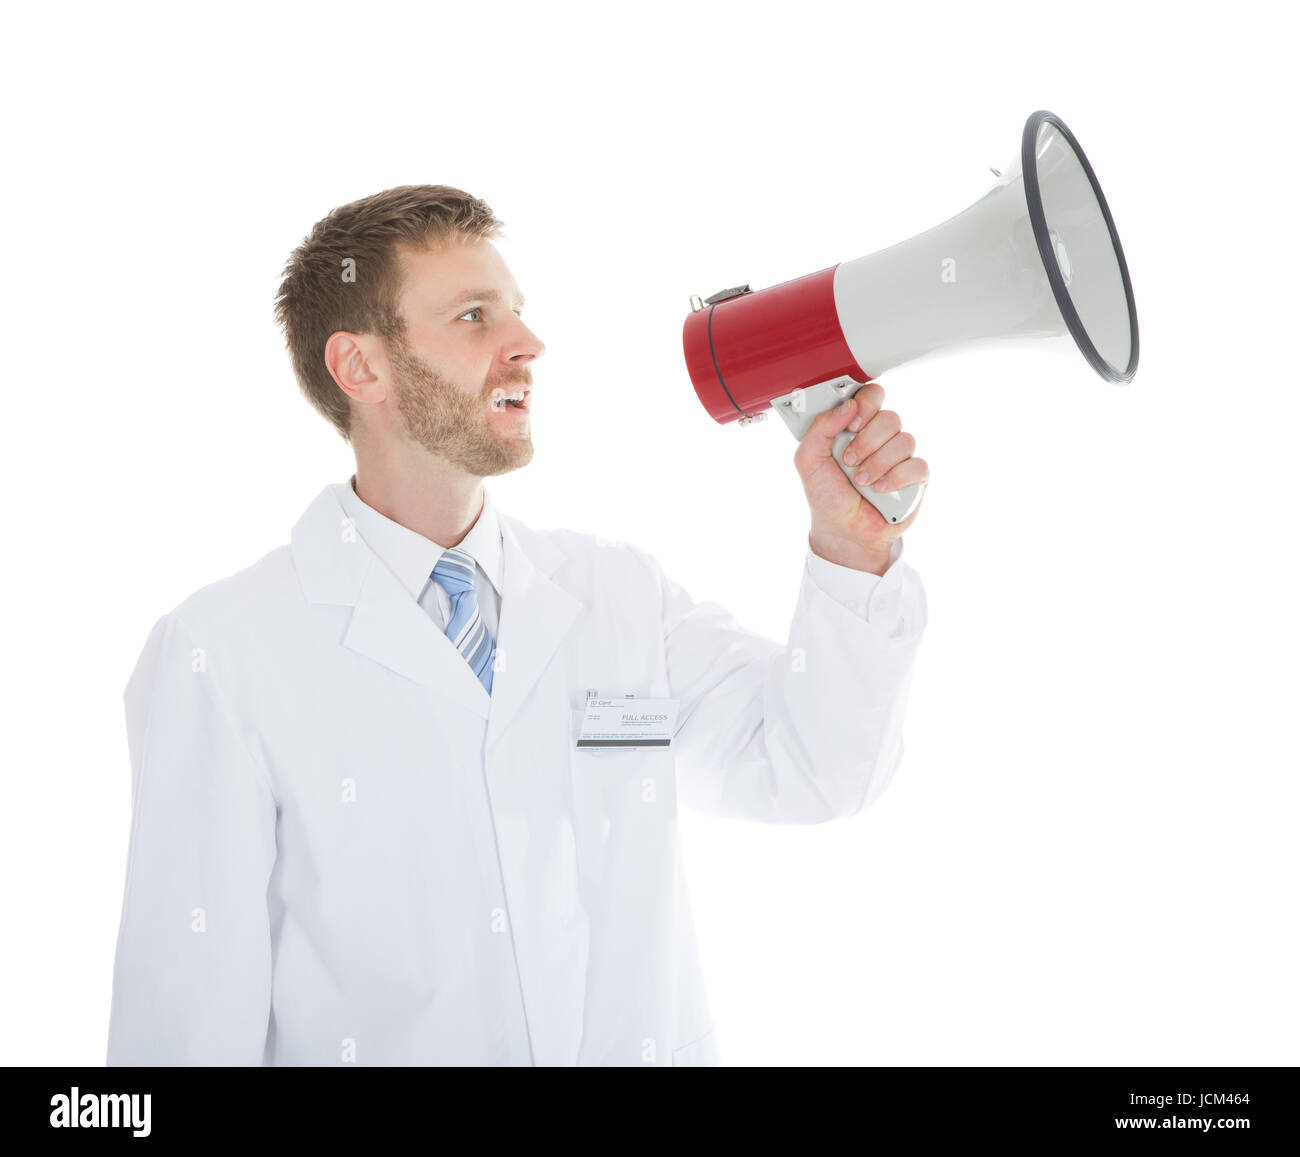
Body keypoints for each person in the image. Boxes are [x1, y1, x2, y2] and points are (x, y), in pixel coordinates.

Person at [105, 185, 930, 1067]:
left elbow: (815, 771)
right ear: (361, 367)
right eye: (473, 315)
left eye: (518, 312)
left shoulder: (617, 592)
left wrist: (851, 553)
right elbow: (181, 1036)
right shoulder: (222, 656)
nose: (527, 345)